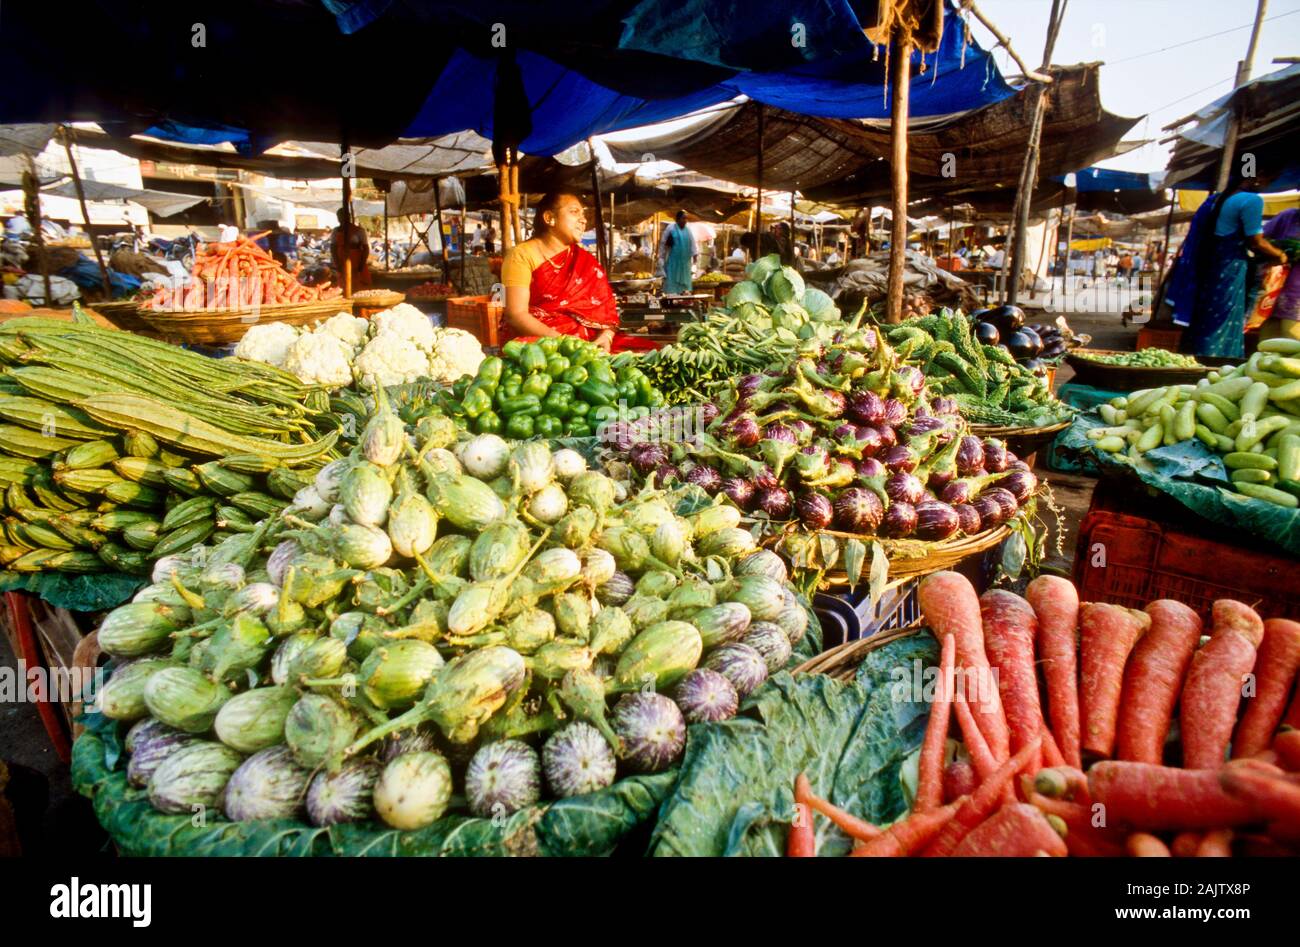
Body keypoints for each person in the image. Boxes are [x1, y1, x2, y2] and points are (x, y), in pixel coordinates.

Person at [501, 192, 656, 353]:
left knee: (647, 353)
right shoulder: (521, 255)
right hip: (544, 343)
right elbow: (516, 315)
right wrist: (564, 342)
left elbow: (605, 312)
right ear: (549, 218)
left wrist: (606, 336)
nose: (583, 220)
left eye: (583, 214)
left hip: (588, 343)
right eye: (574, 212)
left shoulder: (584, 260)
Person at [1169, 171, 1288, 358]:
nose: (1268, 184)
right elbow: (1256, 240)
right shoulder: (1251, 200)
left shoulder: (1219, 199)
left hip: (1212, 265)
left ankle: (1198, 359)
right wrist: (1280, 255)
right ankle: (1215, 362)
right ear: (1254, 177)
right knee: (1223, 320)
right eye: (1268, 178)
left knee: (1207, 318)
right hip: (1230, 267)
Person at [1259, 207, 1300, 343]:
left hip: (1296, 298)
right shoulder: (1288, 216)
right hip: (1273, 293)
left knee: (1293, 343)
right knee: (1267, 345)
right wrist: (1278, 252)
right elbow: (1260, 239)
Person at [330, 207, 372, 289]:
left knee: (359, 283)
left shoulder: (359, 231)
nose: (341, 219)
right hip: (341, 260)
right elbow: (333, 248)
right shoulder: (336, 231)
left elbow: (366, 249)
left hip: (356, 261)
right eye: (339, 217)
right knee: (344, 284)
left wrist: (361, 264)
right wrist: (337, 264)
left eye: (343, 216)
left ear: (348, 217)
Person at [656, 209, 695, 294]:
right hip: (672, 262)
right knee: (672, 283)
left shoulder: (688, 231)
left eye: (686, 219)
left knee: (684, 287)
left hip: (685, 263)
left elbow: (693, 245)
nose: (685, 221)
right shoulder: (671, 229)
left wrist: (695, 259)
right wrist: (661, 258)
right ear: (677, 219)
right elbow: (663, 244)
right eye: (683, 218)